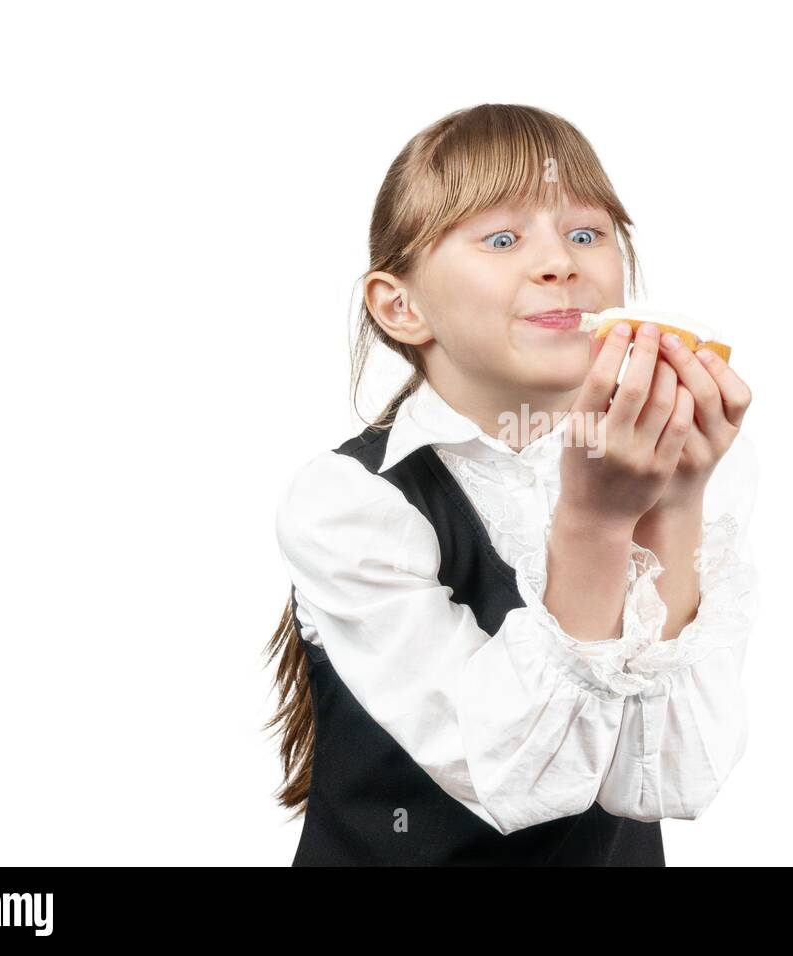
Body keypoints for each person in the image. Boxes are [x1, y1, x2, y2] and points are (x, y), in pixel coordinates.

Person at [265, 103, 758, 865]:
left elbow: (668, 782)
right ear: (402, 306)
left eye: (586, 234)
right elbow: (534, 784)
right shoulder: (350, 503)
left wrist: (677, 505)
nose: (561, 262)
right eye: (502, 238)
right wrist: (595, 524)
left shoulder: (676, 460)